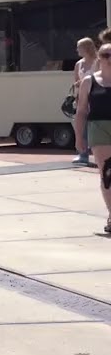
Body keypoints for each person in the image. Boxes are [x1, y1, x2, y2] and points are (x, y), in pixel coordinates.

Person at [75, 42, 111, 233]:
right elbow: (81, 111)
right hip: (99, 128)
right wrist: (79, 137)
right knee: (107, 173)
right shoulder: (89, 82)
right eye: (106, 54)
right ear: (100, 58)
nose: (110, 58)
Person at [73, 37, 98, 166]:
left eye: (79, 47)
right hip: (83, 98)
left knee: (97, 125)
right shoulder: (79, 64)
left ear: (86, 48)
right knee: (82, 126)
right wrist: (78, 84)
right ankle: (83, 154)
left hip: (97, 98)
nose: (77, 50)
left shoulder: (98, 62)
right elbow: (76, 81)